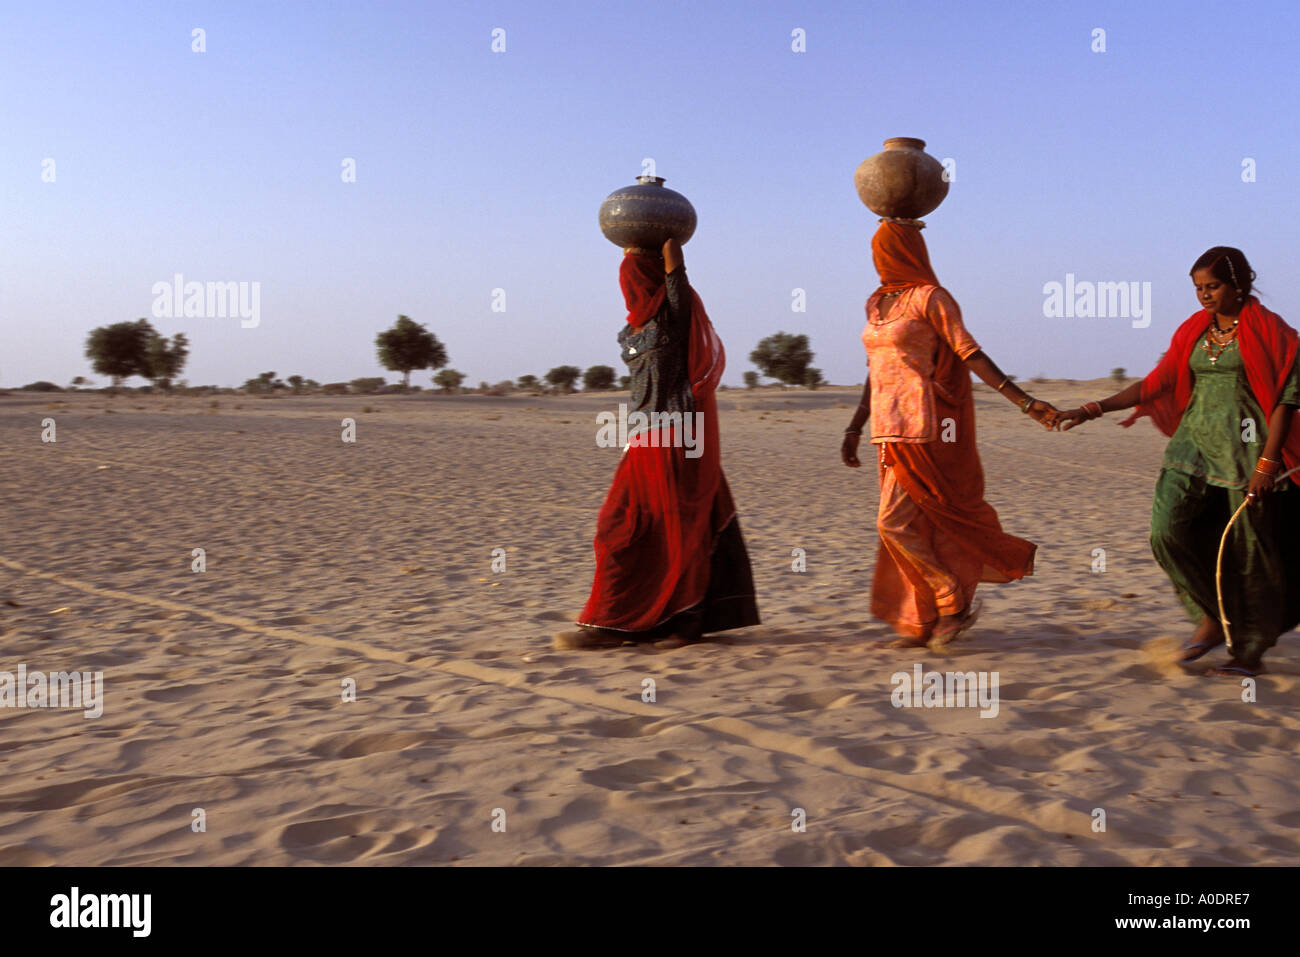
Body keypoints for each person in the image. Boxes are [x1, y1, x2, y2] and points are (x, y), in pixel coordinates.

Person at [1059, 247, 1300, 677]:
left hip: (1247, 454)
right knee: (1166, 531)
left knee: (1249, 553)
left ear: (1237, 284)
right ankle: (1210, 615)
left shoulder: (1271, 331)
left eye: (1213, 286)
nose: (1204, 296)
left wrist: (1267, 463)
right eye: (1198, 288)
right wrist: (1092, 408)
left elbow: (1286, 399)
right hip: (1192, 449)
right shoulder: (1194, 330)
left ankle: (1247, 653)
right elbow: (1158, 382)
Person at [842, 218, 1056, 648]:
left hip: (926, 428)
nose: (877, 258)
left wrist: (1025, 402)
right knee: (911, 525)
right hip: (887, 431)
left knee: (895, 523)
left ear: (904, 250)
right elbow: (875, 370)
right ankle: (922, 620)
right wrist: (855, 424)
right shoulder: (875, 303)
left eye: (884, 249)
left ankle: (950, 599)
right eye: (874, 251)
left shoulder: (930, 298)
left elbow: (968, 351)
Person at [553, 235, 760, 650]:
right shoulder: (631, 328)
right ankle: (634, 618)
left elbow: (678, 288)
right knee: (620, 525)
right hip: (642, 438)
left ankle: (663, 620)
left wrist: (670, 256)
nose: (627, 284)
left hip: (679, 436)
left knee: (671, 529)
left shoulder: (674, 314)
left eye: (633, 275)